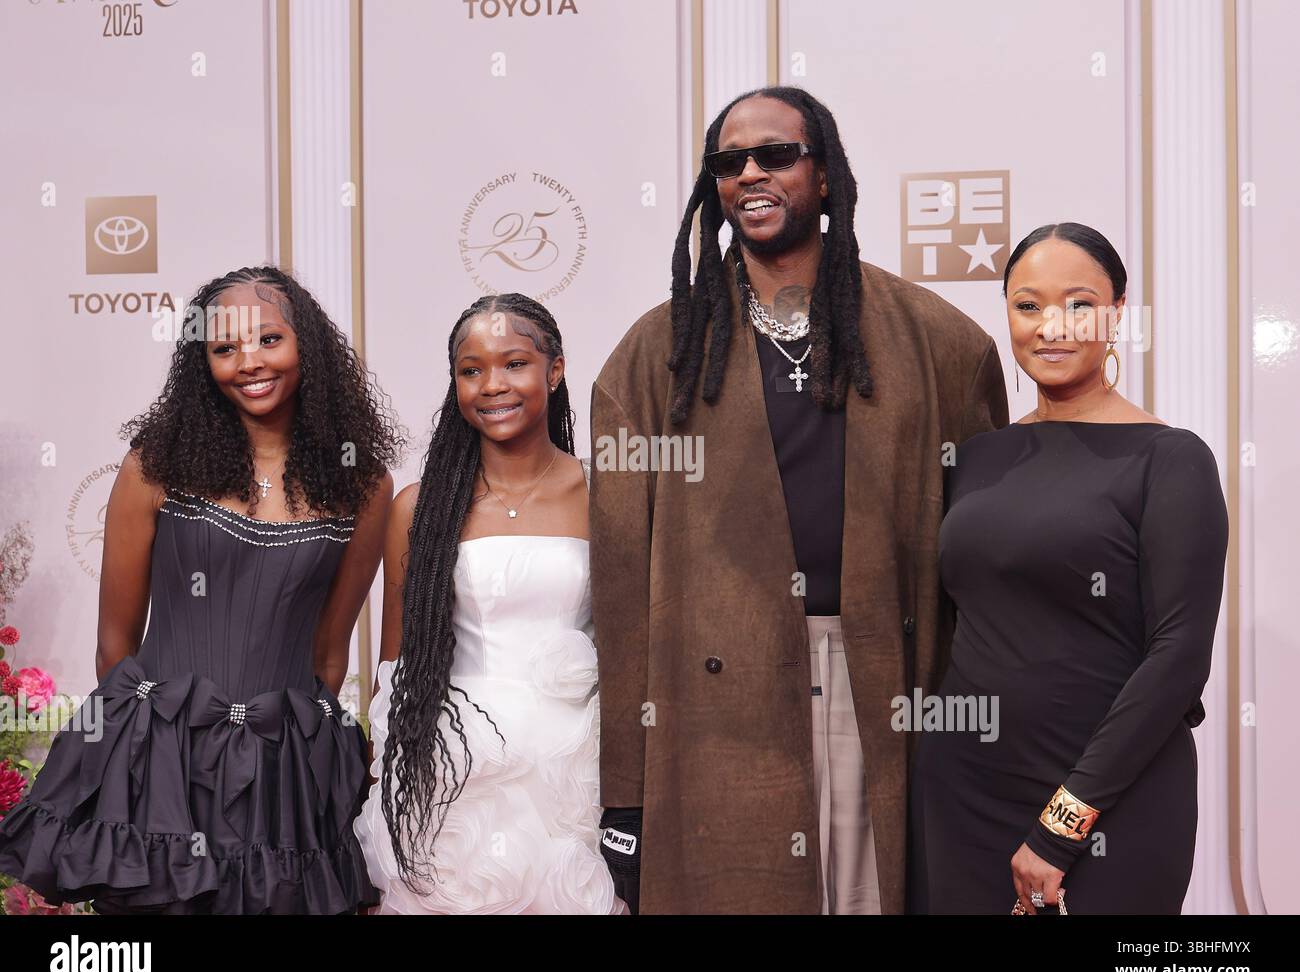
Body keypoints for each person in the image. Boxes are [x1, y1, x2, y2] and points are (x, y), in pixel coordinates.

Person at [589, 86, 1008, 914]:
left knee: (866, 894)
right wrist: (624, 785)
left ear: (824, 174)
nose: (750, 173)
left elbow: (985, 565)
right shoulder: (654, 353)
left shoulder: (939, 342)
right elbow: (621, 591)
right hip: (707, 696)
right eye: (728, 161)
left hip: (876, 674)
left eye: (776, 154)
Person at [0, 266, 400, 913]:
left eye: (269, 339)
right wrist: (140, 768)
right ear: (201, 360)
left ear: (308, 346)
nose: (249, 361)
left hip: (283, 772)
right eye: (224, 347)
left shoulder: (363, 483)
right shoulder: (155, 464)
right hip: (160, 766)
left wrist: (303, 777)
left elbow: (330, 654)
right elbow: (114, 648)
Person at [909, 223, 1229, 914]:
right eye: (1027, 305)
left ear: (1118, 313)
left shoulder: (1171, 460)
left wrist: (1063, 826)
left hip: (1111, 798)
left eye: (1079, 304)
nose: (1052, 326)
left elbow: (1179, 658)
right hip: (962, 792)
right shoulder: (978, 457)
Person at [353, 294, 622, 914]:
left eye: (515, 364)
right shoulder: (419, 507)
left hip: (574, 775)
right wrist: (381, 790)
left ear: (554, 372)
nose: (492, 385)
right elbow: (395, 665)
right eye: (471, 370)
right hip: (449, 776)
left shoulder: (605, 491)